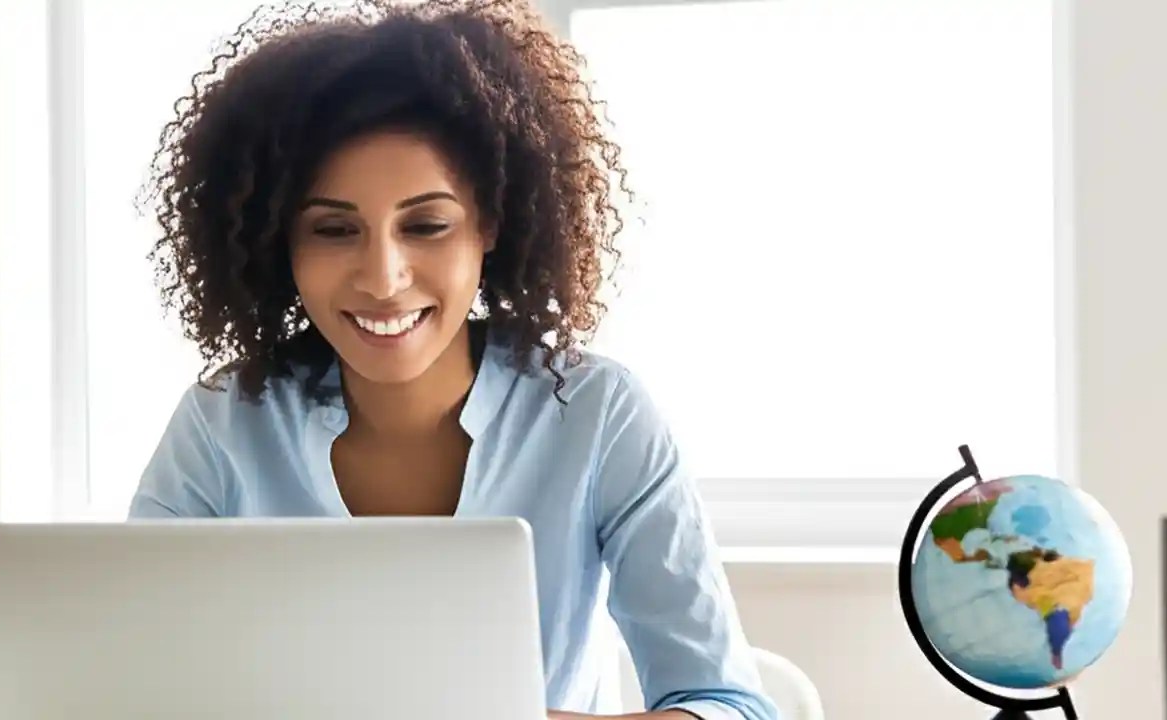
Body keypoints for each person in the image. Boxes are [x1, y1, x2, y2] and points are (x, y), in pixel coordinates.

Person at [129, 1, 779, 718]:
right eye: (334, 229)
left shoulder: (597, 416)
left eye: (427, 225)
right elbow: (124, 683)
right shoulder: (221, 426)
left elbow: (729, 703)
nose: (382, 277)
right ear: (281, 243)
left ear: (492, 225)